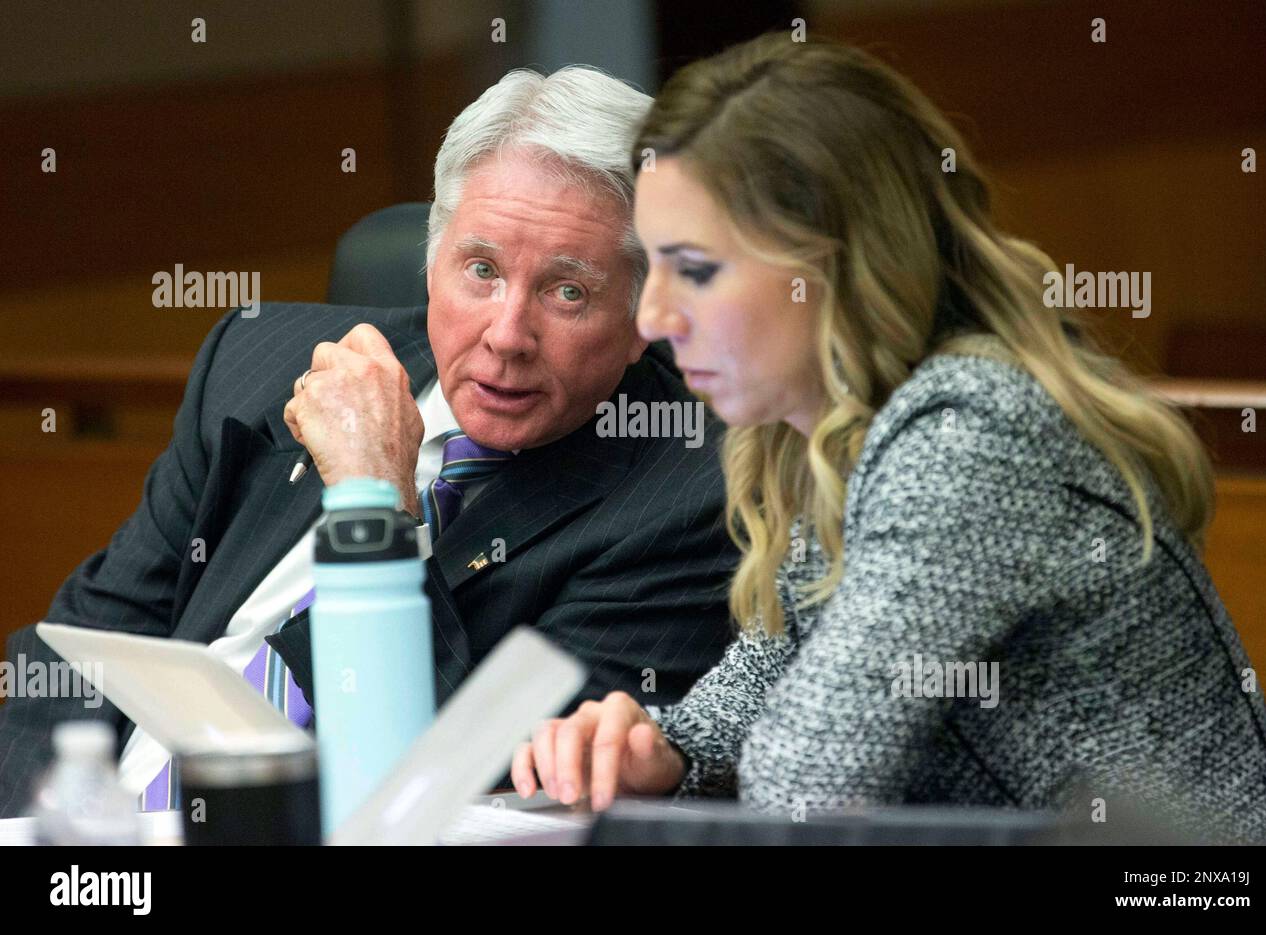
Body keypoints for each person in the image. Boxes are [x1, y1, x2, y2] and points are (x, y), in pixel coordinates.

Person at [511, 34, 1266, 843]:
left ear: (842, 264)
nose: (652, 317)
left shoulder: (970, 436)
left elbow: (805, 782)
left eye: (698, 270)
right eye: (655, 268)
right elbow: (738, 713)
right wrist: (659, 748)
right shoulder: (831, 436)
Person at [0, 66, 737, 817]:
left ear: (649, 309)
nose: (508, 334)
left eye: (567, 291)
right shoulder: (259, 364)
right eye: (480, 270)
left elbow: (490, 785)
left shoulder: (688, 501)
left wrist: (376, 509)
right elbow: (77, 646)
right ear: (431, 260)